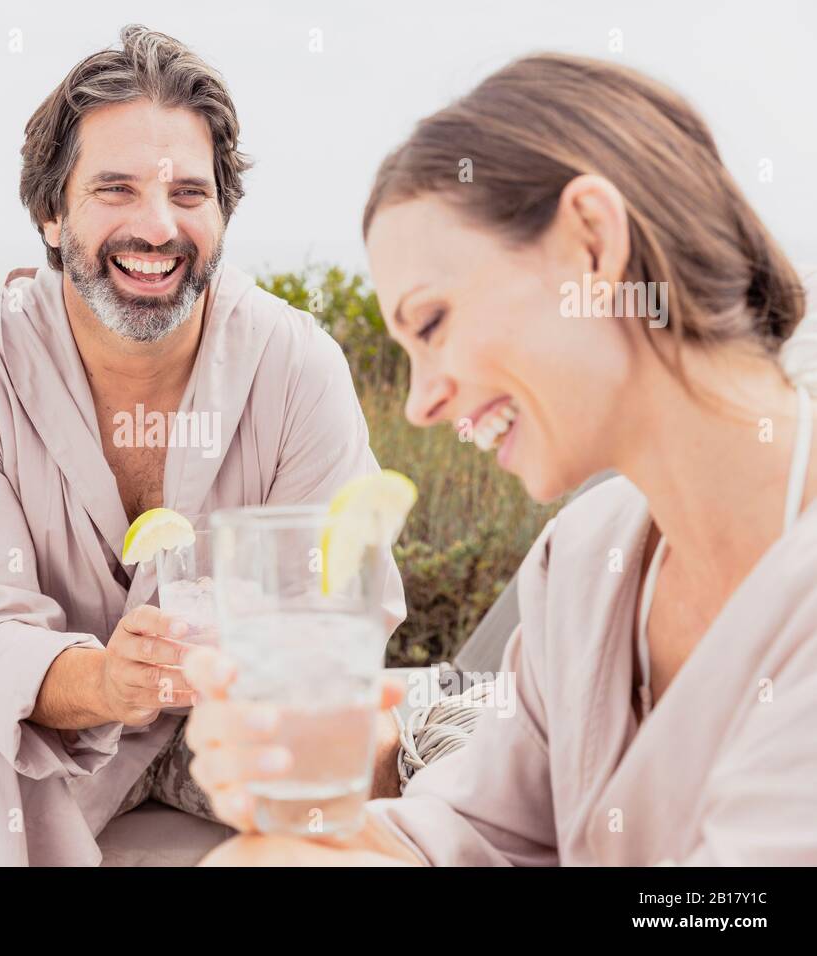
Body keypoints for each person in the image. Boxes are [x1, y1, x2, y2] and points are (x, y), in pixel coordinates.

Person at [185, 53, 817, 866]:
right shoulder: (587, 562)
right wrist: (317, 827)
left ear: (595, 244)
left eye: (434, 320)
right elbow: (478, 835)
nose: (418, 405)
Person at [0, 25, 405, 866]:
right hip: (62, 727)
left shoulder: (297, 366)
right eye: (116, 190)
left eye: (189, 194)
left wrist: (275, 681)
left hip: (246, 723)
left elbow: (345, 598)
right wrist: (106, 682)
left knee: (376, 767)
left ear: (222, 212)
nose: (158, 227)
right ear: (51, 213)